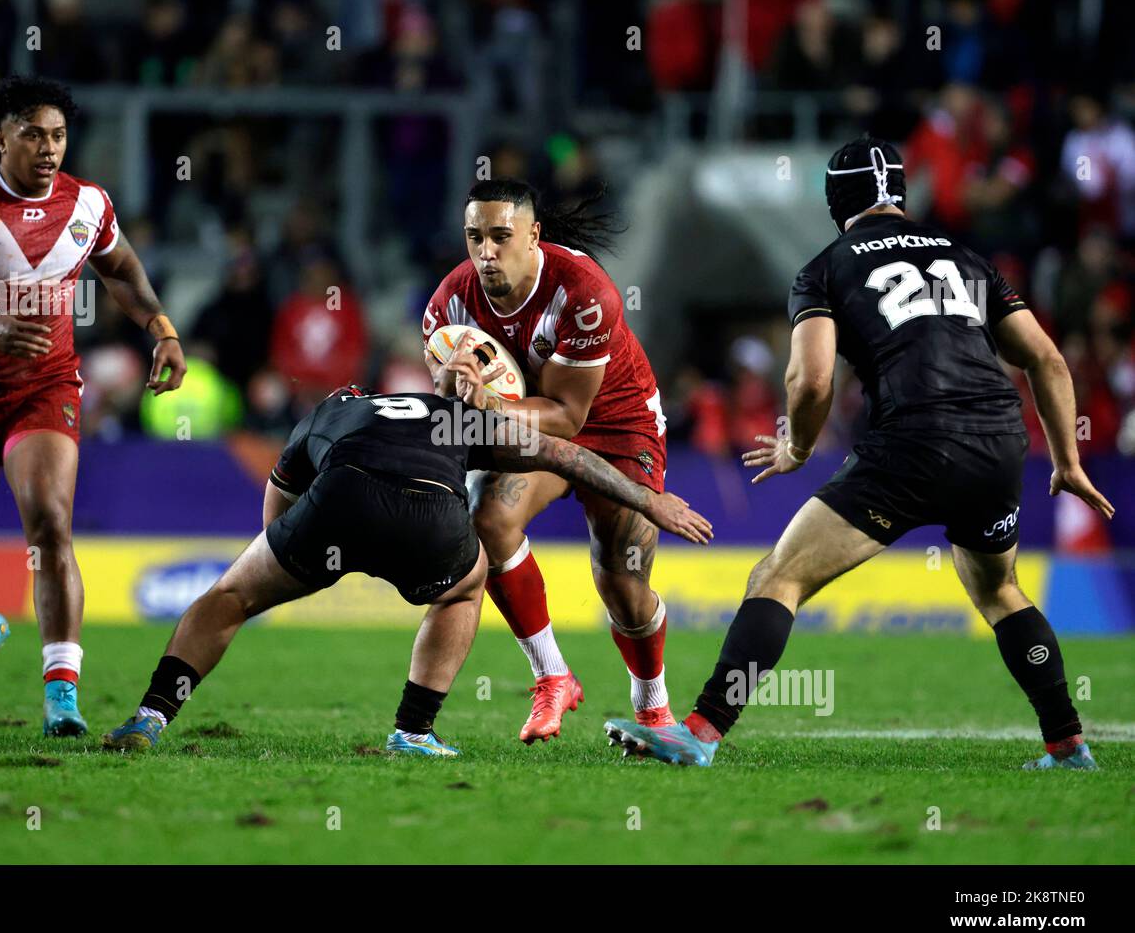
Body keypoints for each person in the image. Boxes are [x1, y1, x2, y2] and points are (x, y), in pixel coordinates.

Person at [606, 137, 1112, 771]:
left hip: (913, 443)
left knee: (778, 577)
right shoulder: (967, 257)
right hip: (998, 441)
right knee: (1001, 590)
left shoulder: (826, 267)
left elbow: (810, 381)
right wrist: (1067, 460)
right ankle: (1067, 744)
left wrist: (798, 445)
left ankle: (701, 732)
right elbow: (1046, 358)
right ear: (900, 191)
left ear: (833, 200)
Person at [102, 338, 711, 756]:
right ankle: (413, 732)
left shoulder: (336, 408)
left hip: (338, 499)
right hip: (429, 516)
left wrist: (287, 559)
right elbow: (568, 455)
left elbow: (278, 503)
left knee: (229, 596)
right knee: (468, 585)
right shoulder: (460, 418)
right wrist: (647, 499)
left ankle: (152, 715)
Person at [0, 75, 188, 736]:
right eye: (33, 134)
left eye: (57, 134)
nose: (49, 147)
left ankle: (62, 692)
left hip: (45, 385)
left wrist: (162, 329)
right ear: (3, 137)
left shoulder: (89, 204)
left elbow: (122, 273)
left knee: (51, 521)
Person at [421, 178, 675, 744]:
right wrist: (448, 387)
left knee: (621, 583)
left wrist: (488, 401)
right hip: (523, 417)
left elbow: (567, 417)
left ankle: (653, 706)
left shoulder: (584, 293)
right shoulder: (449, 307)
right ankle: (552, 676)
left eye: (500, 237)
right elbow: (452, 409)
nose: (486, 252)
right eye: (474, 238)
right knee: (488, 516)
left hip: (616, 422)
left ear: (533, 236)